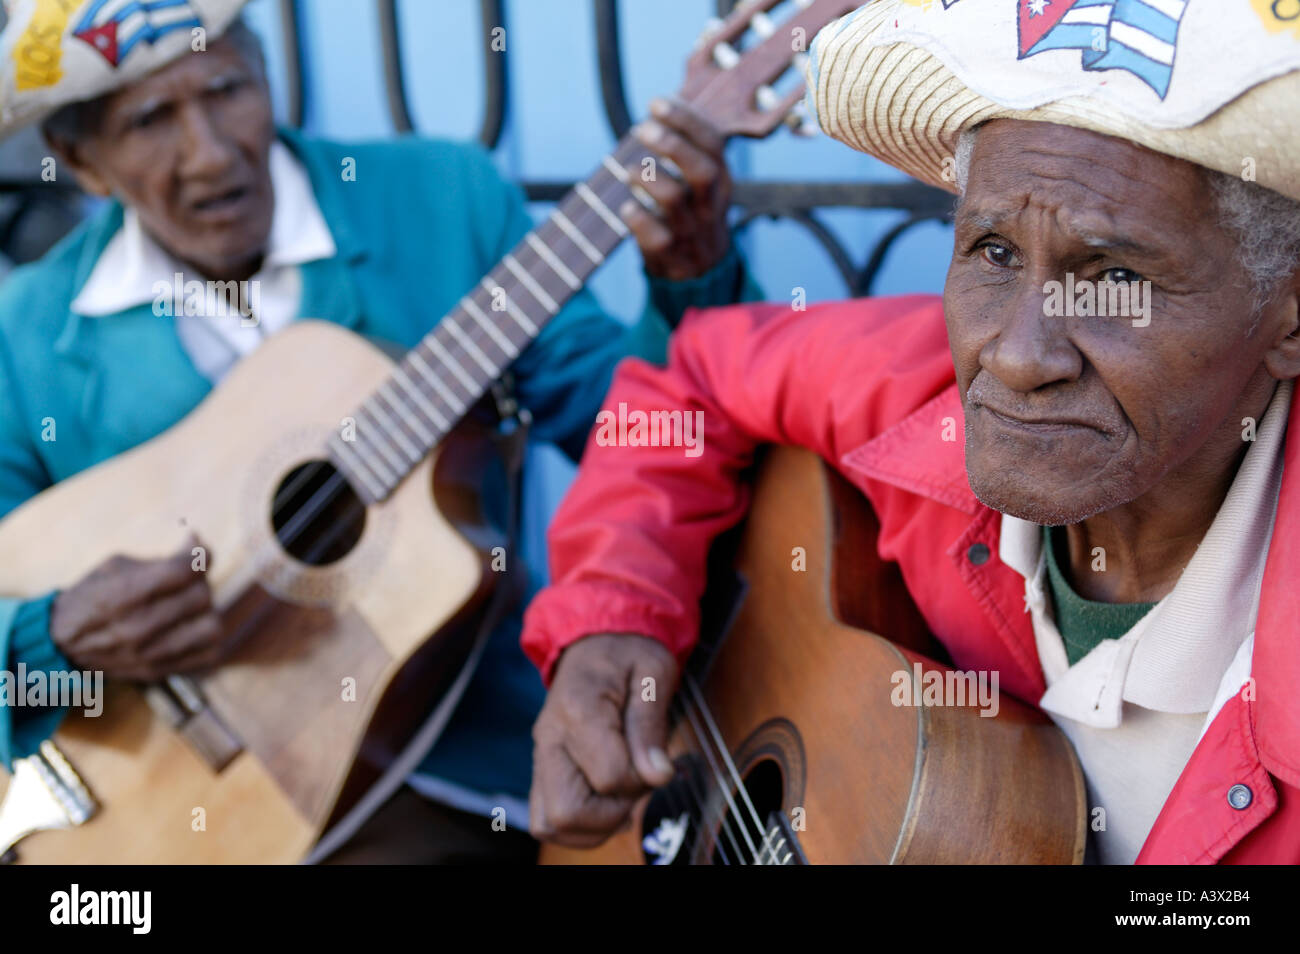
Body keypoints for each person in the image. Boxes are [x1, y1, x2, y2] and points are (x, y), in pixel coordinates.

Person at [523, 0, 1300, 864]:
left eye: (1113, 276)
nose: (1013, 356)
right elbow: (683, 384)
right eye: (994, 253)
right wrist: (614, 619)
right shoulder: (917, 392)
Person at [0, 2, 758, 862]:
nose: (211, 151)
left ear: (265, 75)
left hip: (464, 764)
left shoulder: (441, 201)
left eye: (226, 90)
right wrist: (45, 634)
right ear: (81, 164)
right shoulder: (26, 335)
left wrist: (690, 286)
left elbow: (628, 429)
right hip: (175, 814)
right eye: (149, 121)